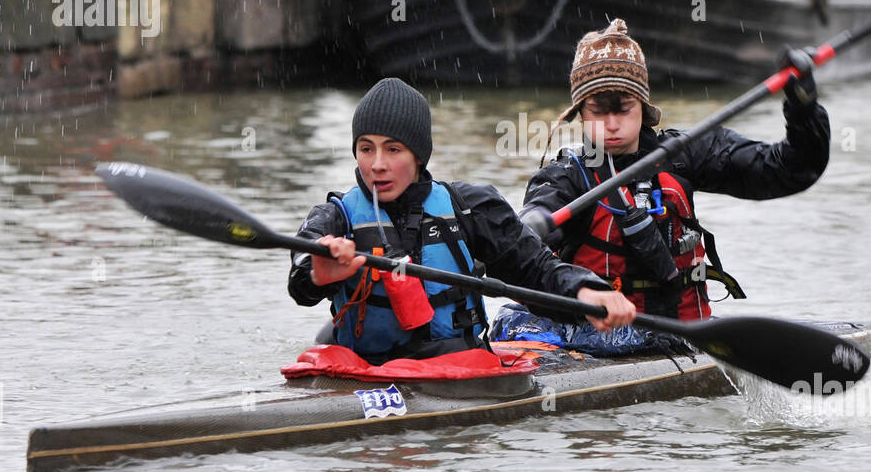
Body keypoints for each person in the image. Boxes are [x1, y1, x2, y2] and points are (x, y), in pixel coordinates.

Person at [288, 78, 635, 363]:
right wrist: (317, 275)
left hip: (455, 365)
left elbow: (535, 269)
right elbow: (301, 279)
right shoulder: (335, 217)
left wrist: (586, 289)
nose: (377, 164)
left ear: (418, 155)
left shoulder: (470, 207)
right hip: (365, 371)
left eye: (393, 150)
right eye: (366, 149)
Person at [521, 19, 830, 321]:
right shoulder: (564, 177)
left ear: (643, 105)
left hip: (688, 331)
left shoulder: (685, 154)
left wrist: (803, 108)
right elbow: (525, 250)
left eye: (624, 108)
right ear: (580, 114)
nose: (612, 125)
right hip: (596, 341)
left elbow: (792, 170)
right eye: (599, 111)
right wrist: (528, 224)